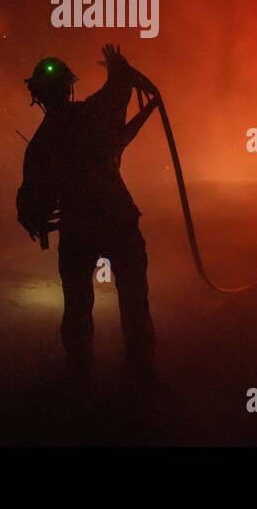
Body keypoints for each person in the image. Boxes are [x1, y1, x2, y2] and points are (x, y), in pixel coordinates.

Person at [16, 45, 158, 384]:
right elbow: (118, 91)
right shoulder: (91, 115)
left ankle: (80, 371)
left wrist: (33, 213)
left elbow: (33, 200)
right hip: (117, 221)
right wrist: (117, 68)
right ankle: (140, 372)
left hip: (79, 229)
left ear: (38, 97)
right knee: (133, 300)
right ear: (69, 88)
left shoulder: (40, 144)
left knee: (78, 304)